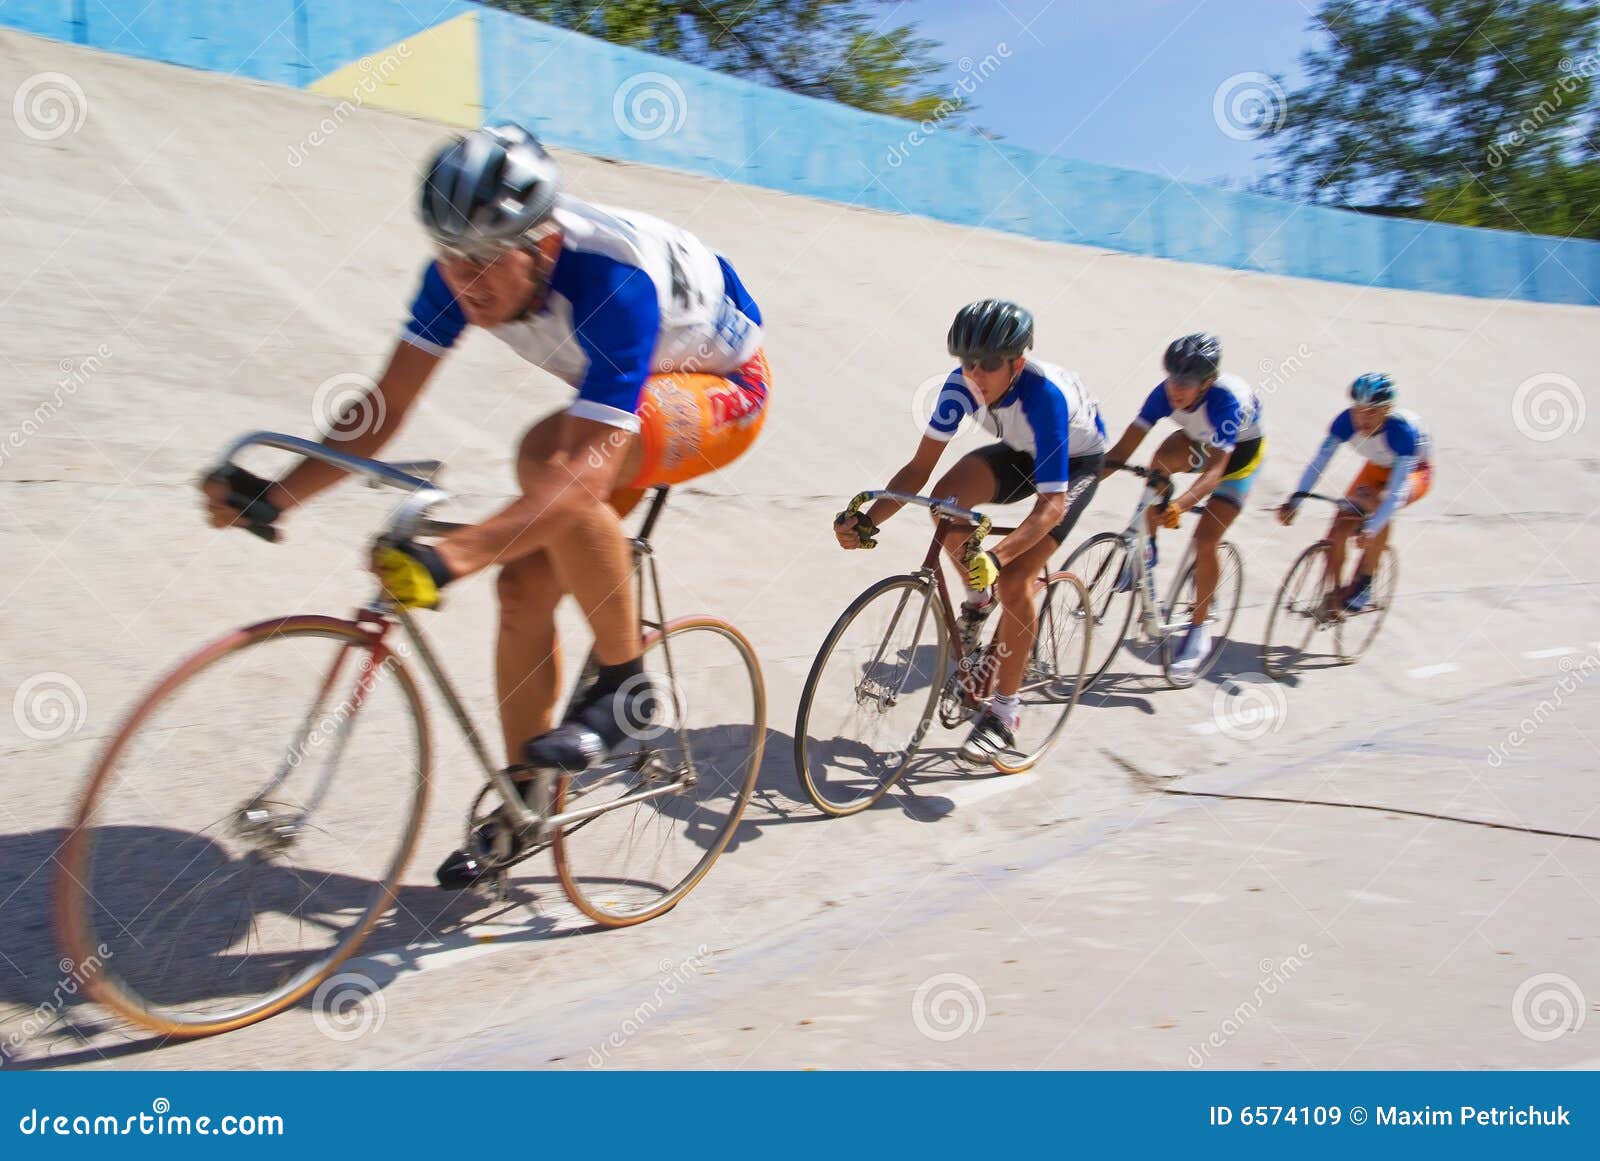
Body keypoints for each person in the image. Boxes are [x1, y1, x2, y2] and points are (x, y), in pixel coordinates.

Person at [200, 123, 771, 888]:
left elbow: (578, 478)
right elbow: (385, 405)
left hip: (726, 388)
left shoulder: (612, 283)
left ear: (540, 243)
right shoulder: (457, 268)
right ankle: (524, 800)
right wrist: (278, 495)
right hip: (639, 395)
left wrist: (448, 556)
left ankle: (626, 684)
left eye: (483, 263)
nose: (465, 283)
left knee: (546, 459)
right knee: (522, 587)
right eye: (448, 257)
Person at [833, 300, 1107, 765]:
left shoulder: (1044, 399)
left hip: (1074, 465)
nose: (976, 373)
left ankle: (1005, 713)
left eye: (990, 364)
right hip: (1020, 450)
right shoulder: (958, 388)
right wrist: (868, 521)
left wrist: (998, 557)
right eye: (967, 362)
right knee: (946, 502)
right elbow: (919, 470)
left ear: (1017, 363)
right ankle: (979, 601)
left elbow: (1051, 506)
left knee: (1017, 580)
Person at [1101, 333, 1265, 677]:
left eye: (1186, 382)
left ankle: (1199, 629)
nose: (1176, 388)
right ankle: (1148, 549)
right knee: (1159, 460)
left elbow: (1218, 471)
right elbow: (1120, 453)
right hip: (1199, 441)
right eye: (1172, 378)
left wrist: (1180, 504)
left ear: (1207, 383)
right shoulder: (1163, 394)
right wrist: (1076, 489)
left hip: (1238, 458)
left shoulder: (1226, 402)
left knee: (1205, 540)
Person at [1277, 373, 1431, 612]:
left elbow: (1395, 493)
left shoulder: (1402, 432)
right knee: (1339, 526)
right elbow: (1319, 462)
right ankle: (1336, 596)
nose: (1363, 418)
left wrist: (1371, 529)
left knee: (1378, 502)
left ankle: (1366, 581)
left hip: (1414, 472)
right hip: (1376, 468)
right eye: (1359, 409)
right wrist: (1296, 499)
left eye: (1372, 411)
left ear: (1387, 410)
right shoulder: (1346, 422)